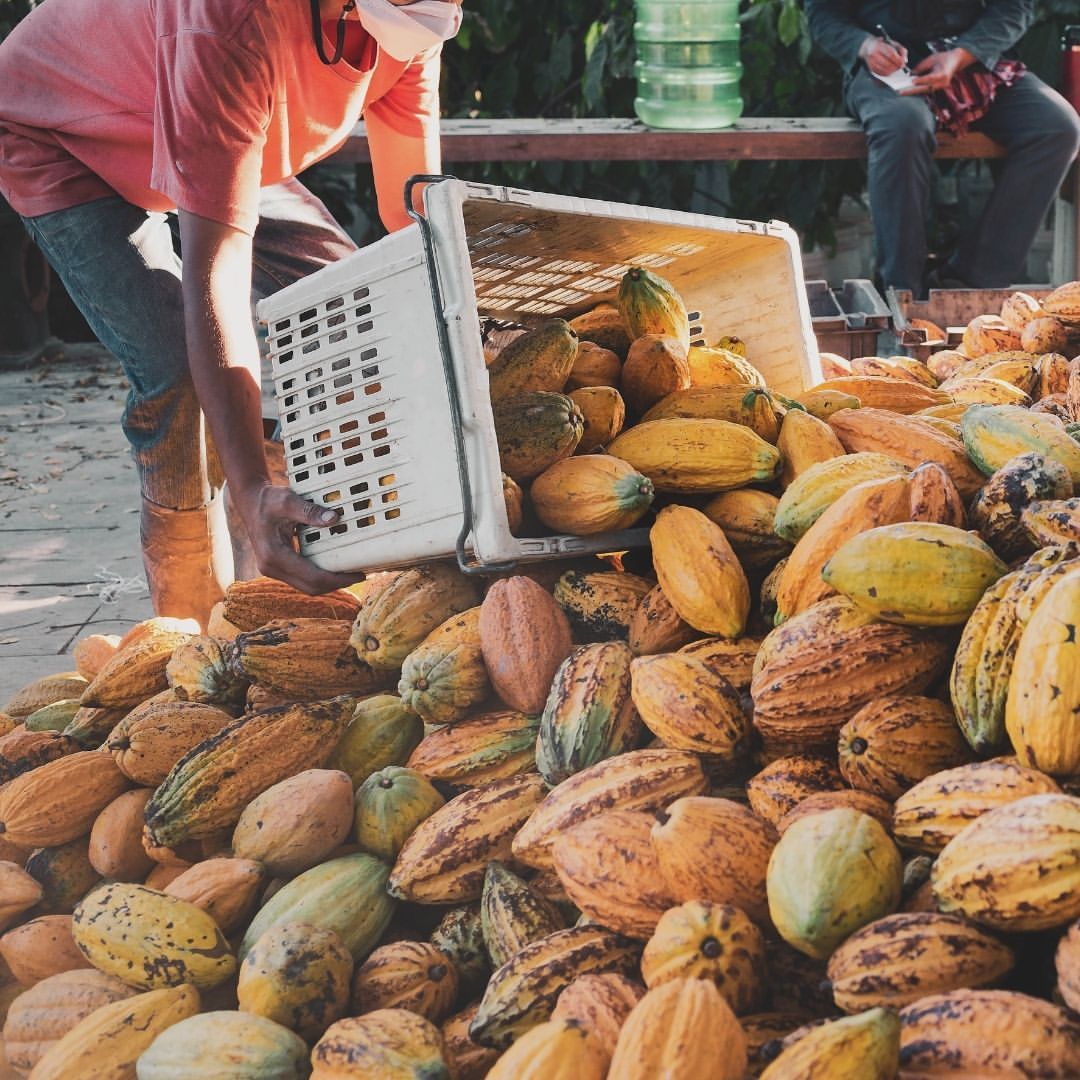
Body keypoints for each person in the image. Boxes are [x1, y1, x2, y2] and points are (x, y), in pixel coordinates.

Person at [0, 0, 463, 626]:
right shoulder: (232, 22)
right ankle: (191, 623)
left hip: (209, 123)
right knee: (175, 370)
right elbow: (213, 278)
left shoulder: (411, 22)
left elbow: (409, 209)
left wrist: (470, 328)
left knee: (350, 303)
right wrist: (249, 490)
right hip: (64, 133)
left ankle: (290, 527)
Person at [806, 1, 1080, 294]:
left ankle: (972, 281)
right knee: (903, 126)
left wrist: (960, 56)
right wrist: (864, 45)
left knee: (1057, 128)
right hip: (886, 70)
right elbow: (823, 13)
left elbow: (1014, 8)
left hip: (972, 61)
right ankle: (901, 294)